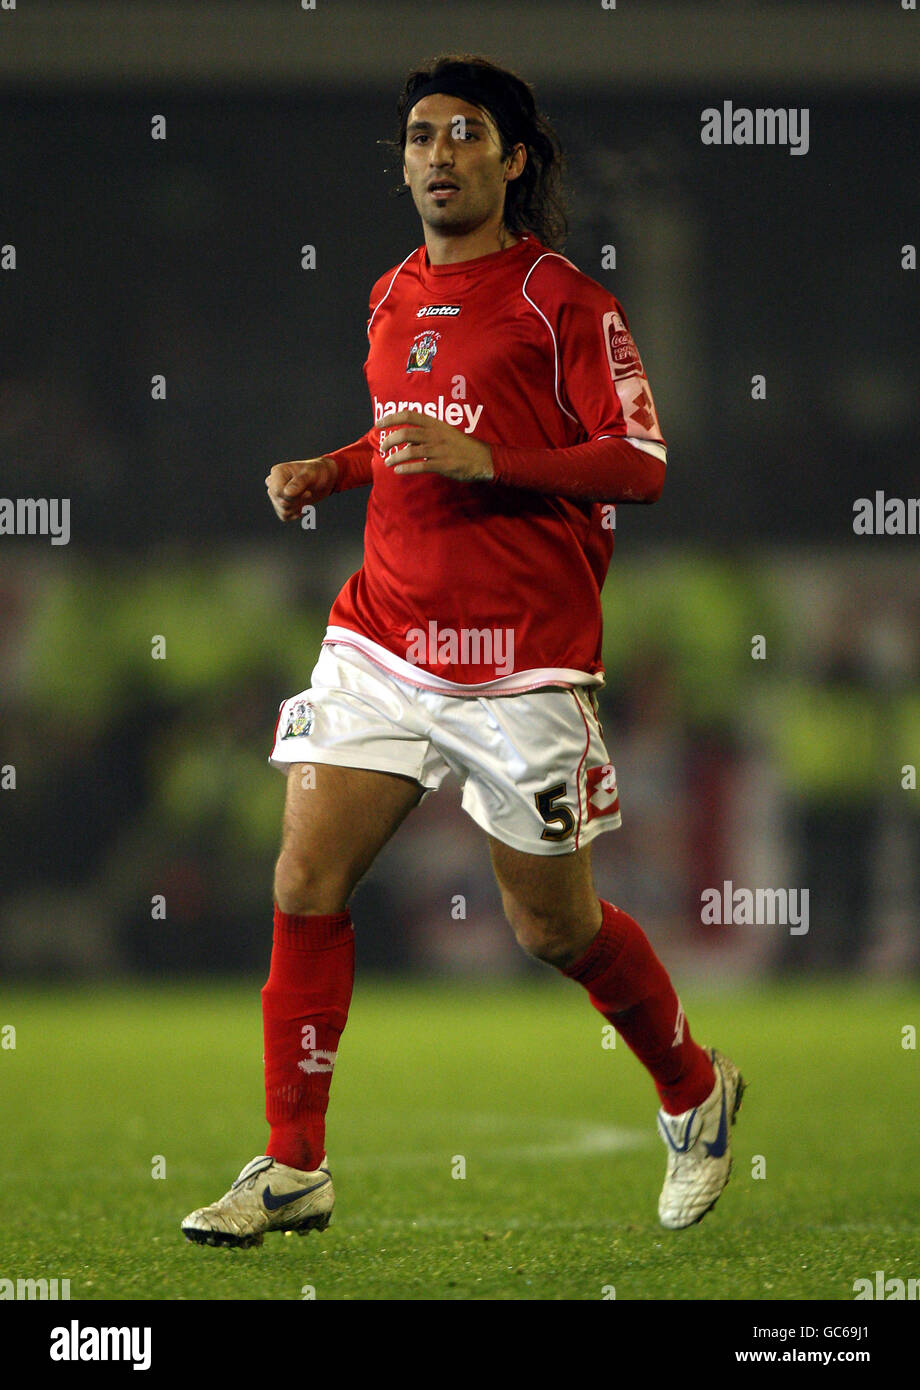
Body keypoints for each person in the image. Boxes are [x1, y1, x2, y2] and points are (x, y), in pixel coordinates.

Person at [181, 53, 744, 1249]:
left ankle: (692, 1088)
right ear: (402, 162)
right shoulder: (388, 294)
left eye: (464, 134)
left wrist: (493, 463)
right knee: (303, 878)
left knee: (552, 929)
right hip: (381, 637)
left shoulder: (565, 303)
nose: (438, 155)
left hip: (519, 661)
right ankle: (293, 1166)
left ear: (512, 157)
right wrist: (329, 469)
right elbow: (400, 437)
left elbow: (638, 463)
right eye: (420, 137)